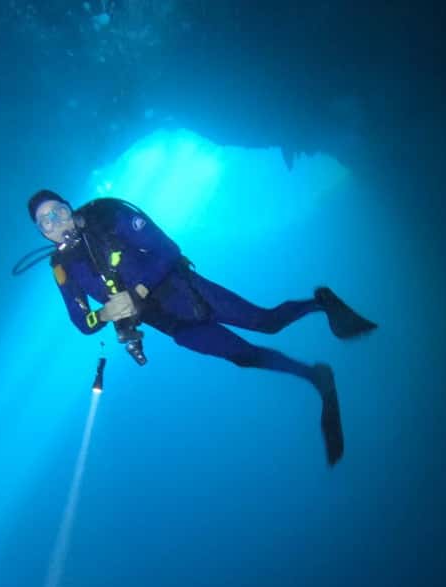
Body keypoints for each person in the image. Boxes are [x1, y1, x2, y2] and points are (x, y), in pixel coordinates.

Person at [28, 189, 377, 466]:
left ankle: (321, 301)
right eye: (45, 222)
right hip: (174, 325)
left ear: (68, 205)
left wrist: (138, 293)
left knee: (266, 322)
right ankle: (316, 377)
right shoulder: (61, 265)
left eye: (56, 210)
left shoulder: (106, 215)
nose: (55, 221)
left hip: (190, 291)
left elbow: (167, 250)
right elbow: (81, 322)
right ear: (42, 233)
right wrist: (104, 315)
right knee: (245, 356)